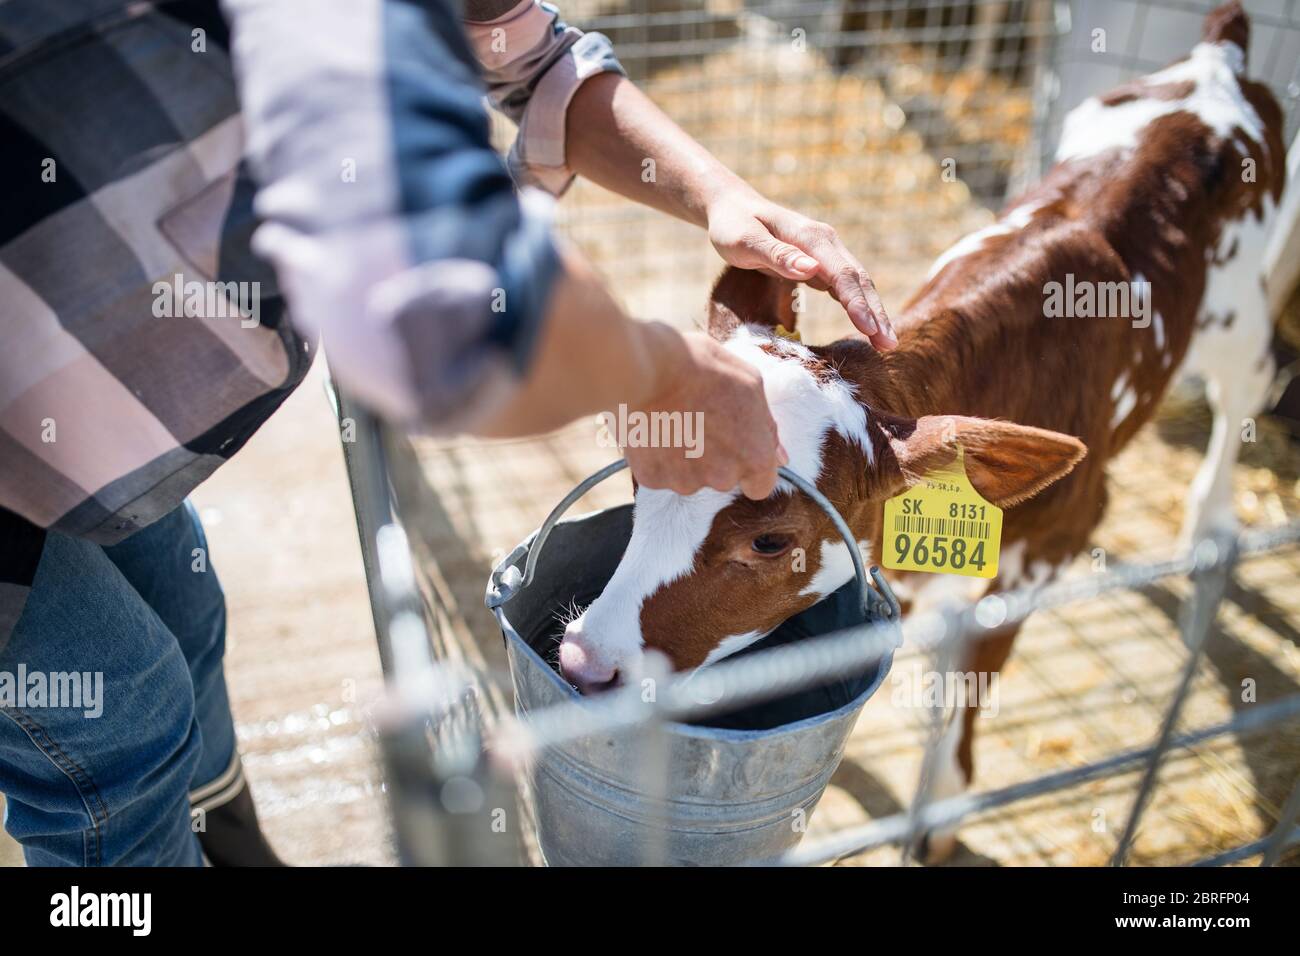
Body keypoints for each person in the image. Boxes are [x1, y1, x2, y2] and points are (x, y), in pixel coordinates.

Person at [0, 0, 893, 866]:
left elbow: (531, 56)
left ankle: (230, 850)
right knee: (119, 711)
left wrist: (719, 193)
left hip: (62, 413)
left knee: (182, 600)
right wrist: (664, 374)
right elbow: (450, 319)